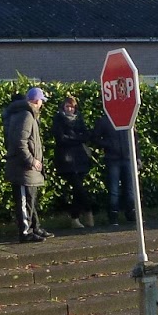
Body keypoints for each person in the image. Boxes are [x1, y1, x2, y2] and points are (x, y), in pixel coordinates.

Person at [3, 87, 52, 242]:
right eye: (41, 101)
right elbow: (20, 142)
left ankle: (34, 227)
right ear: (37, 101)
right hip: (23, 168)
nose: (41, 105)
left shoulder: (25, 115)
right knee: (25, 201)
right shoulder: (26, 115)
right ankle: (25, 232)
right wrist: (32, 161)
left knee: (31, 200)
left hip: (27, 169)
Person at [51, 95, 96, 228]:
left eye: (72, 106)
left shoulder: (79, 119)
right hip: (66, 159)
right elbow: (60, 138)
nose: (70, 109)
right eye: (67, 106)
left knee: (78, 190)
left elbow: (86, 135)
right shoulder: (58, 119)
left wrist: (73, 138)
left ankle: (75, 218)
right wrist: (77, 138)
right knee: (78, 188)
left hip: (80, 158)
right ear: (63, 107)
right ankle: (88, 212)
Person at [92, 108, 137, 225]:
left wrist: (137, 157)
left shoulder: (127, 118)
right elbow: (94, 137)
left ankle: (131, 215)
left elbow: (135, 139)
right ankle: (113, 217)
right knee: (114, 190)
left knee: (130, 189)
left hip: (127, 158)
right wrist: (109, 145)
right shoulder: (104, 120)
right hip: (113, 159)